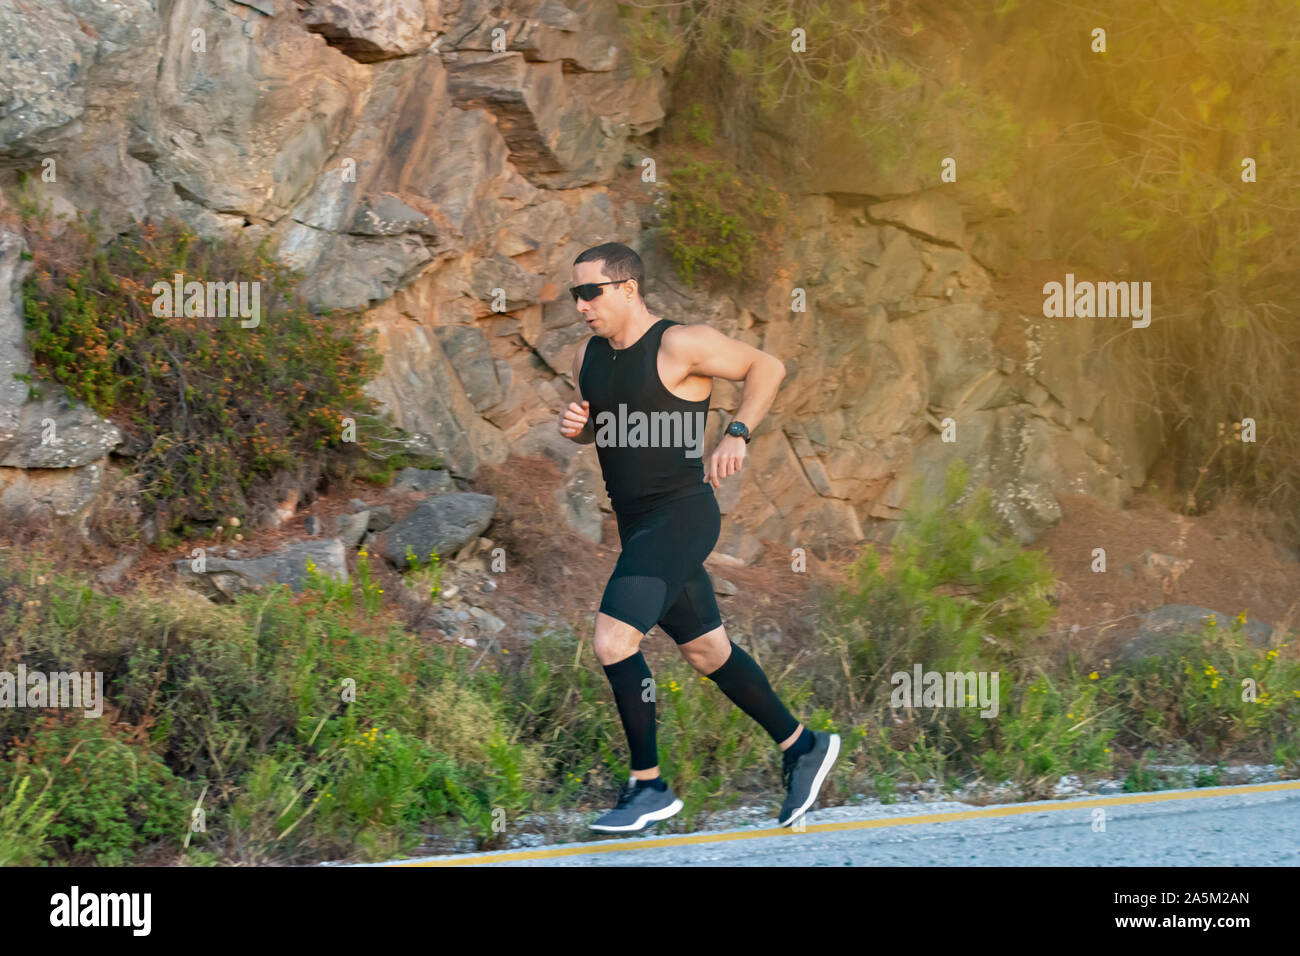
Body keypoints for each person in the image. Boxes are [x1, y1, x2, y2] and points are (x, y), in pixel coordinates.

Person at [556, 241, 840, 833]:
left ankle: (648, 786)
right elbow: (605, 432)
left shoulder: (679, 344)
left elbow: (769, 366)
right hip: (637, 523)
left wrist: (737, 432)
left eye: (591, 292)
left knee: (613, 641)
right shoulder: (590, 357)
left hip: (681, 514)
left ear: (627, 288)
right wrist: (581, 431)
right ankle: (802, 745)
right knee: (707, 650)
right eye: (575, 294)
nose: (581, 304)